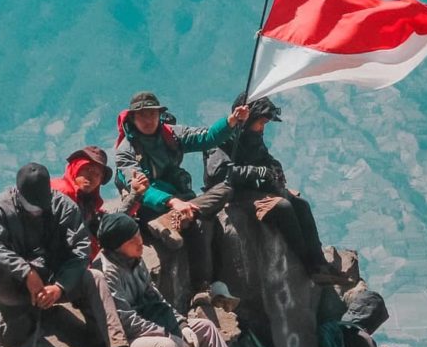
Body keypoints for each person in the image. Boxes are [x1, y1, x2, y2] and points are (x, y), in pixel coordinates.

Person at [0, 162, 153, 347]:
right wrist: (26, 273)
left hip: (55, 281)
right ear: (18, 194)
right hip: (17, 286)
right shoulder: (1, 207)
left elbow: (80, 250)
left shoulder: (62, 206)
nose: (37, 209)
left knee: (94, 277)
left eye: (41, 204)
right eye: (31, 205)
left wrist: (58, 287)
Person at [97, 213, 271, 347]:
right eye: (132, 240)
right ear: (117, 246)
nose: (140, 241)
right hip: (128, 340)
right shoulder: (107, 274)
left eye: (138, 235)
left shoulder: (135, 259)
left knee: (205, 328)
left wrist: (181, 325)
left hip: (152, 325)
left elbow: (157, 300)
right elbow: (126, 321)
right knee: (166, 346)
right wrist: (168, 334)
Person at [114, 91, 250, 284]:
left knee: (226, 189)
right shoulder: (126, 151)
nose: (148, 119)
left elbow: (207, 138)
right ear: (133, 118)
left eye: (152, 113)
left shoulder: (171, 135)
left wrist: (232, 121)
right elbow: (140, 190)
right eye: (143, 114)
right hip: (149, 204)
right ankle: (202, 288)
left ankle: (174, 218)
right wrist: (173, 202)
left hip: (179, 197)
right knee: (196, 226)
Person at [204, 93, 330, 279]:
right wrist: (257, 172)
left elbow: (264, 158)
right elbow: (218, 174)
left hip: (252, 190)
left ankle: (320, 263)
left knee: (300, 204)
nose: (263, 128)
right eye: (261, 122)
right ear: (248, 119)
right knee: (283, 206)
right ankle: (306, 264)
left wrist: (274, 168)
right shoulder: (223, 138)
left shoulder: (252, 136)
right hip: (230, 196)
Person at [50, 145, 149, 258]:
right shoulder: (60, 193)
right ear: (75, 168)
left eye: (97, 174)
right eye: (88, 169)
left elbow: (109, 223)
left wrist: (135, 194)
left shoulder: (86, 202)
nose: (91, 177)